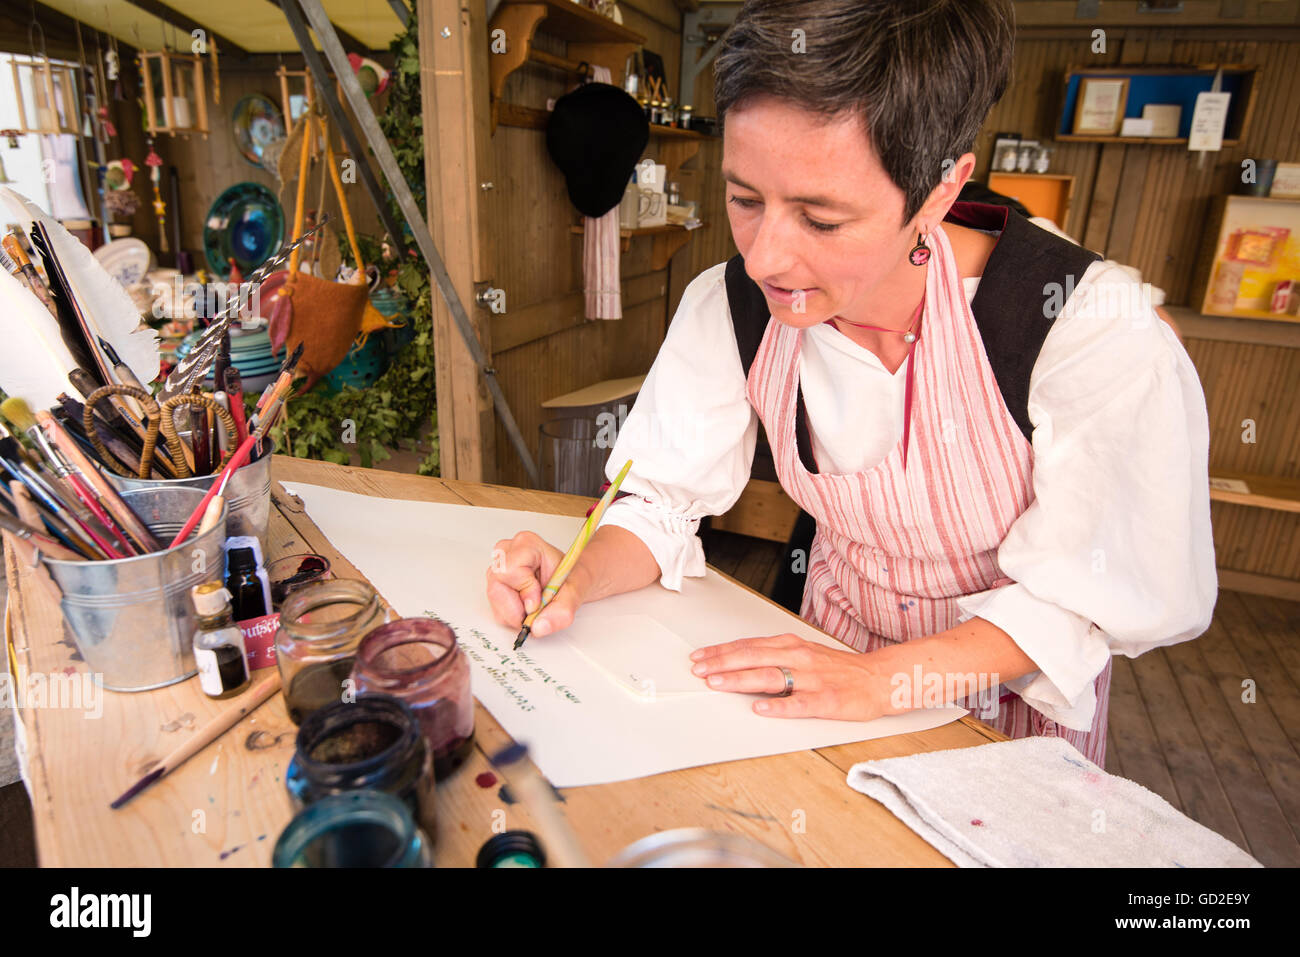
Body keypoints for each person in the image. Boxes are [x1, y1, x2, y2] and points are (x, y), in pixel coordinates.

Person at [486, 0, 1216, 766]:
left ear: (940, 189)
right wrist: (578, 574)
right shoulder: (729, 304)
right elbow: (662, 500)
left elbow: (1084, 600)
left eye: (822, 220)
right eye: (743, 199)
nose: (766, 258)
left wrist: (881, 683)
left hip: (1008, 708)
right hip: (823, 655)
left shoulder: (1083, 326)